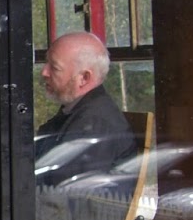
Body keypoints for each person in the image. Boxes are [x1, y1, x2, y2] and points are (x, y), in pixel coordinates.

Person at [34, 31, 137, 186]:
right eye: (46, 62)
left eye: (54, 67)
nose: (44, 72)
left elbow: (66, 195)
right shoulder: (78, 111)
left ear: (84, 78)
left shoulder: (94, 123)